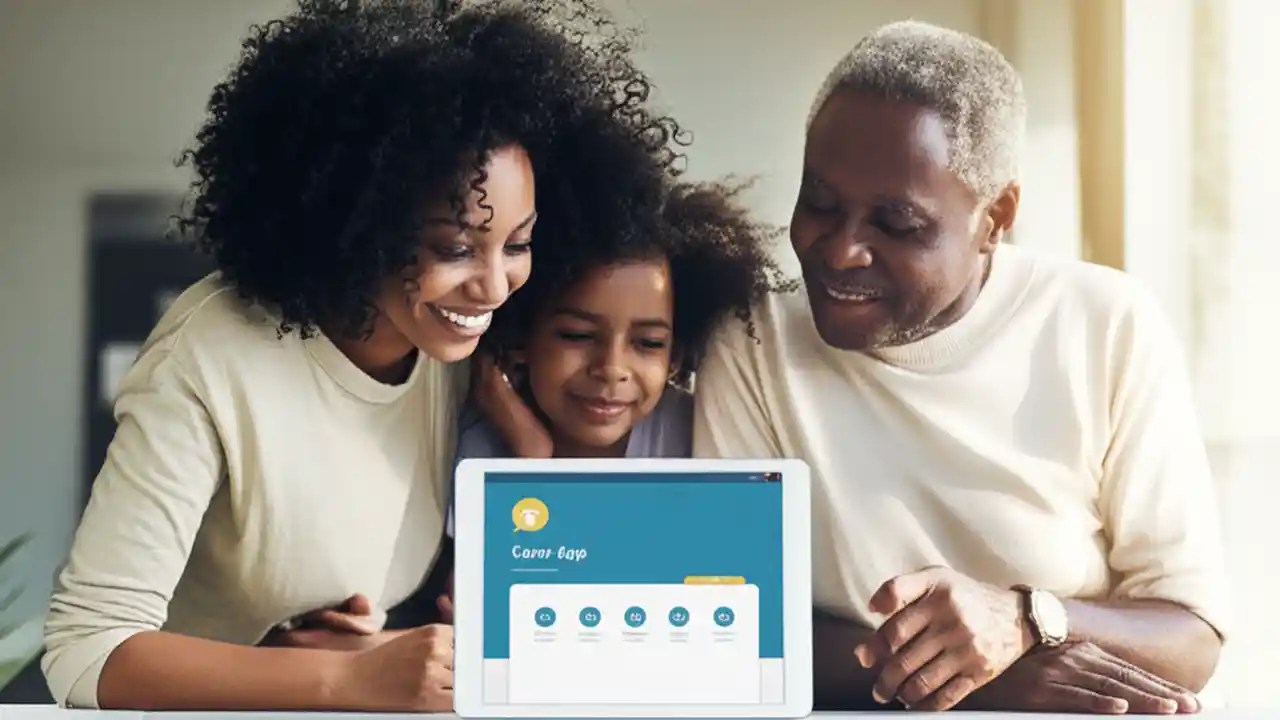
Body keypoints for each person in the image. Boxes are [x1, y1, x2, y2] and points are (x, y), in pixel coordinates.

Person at [41, 0, 685, 711]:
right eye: (454, 247)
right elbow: (86, 650)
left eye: (519, 243)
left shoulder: (450, 350)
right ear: (358, 222)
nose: (496, 283)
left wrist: (527, 454)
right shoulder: (211, 357)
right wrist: (345, 678)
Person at [693, 20, 1228, 714]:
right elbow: (720, 630)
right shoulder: (753, 337)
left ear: (995, 216)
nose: (841, 250)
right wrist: (989, 680)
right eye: (819, 203)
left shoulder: (1106, 325)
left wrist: (1024, 621)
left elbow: (1192, 640)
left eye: (898, 224)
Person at [454, 180, 790, 463]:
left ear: (676, 356)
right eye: (578, 335)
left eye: (649, 343)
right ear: (521, 334)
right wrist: (532, 455)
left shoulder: (701, 436)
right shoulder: (488, 434)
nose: (612, 368)